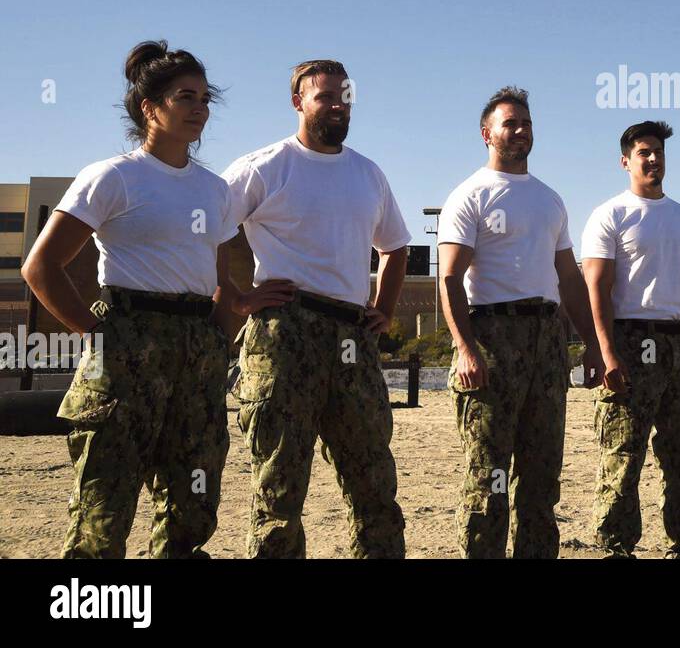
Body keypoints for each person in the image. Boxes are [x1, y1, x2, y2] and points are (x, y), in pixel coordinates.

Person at [21, 41, 283, 558]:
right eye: (186, 96)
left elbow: (217, 278)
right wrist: (96, 335)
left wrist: (236, 308)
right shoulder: (113, 177)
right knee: (104, 508)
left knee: (192, 504)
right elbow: (40, 267)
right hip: (125, 344)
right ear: (149, 107)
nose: (200, 108)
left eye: (206, 99)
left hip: (197, 353)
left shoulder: (213, 190)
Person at [220, 59, 410, 558]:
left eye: (345, 96)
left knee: (373, 478)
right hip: (285, 333)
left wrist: (384, 309)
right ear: (297, 102)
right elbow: (205, 230)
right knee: (280, 483)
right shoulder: (264, 166)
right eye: (325, 96)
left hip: (352, 334)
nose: (338, 106)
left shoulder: (367, 173)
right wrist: (237, 298)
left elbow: (395, 246)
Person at [438, 85, 600, 559]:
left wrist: (589, 343)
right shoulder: (470, 195)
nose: (521, 130)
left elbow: (569, 278)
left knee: (542, 473)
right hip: (492, 337)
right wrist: (466, 349)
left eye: (526, 122)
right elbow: (448, 279)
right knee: (489, 474)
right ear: (487, 133)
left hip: (547, 341)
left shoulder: (550, 200)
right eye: (511, 123)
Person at [581, 120, 680, 559]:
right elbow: (596, 290)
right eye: (643, 152)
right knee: (623, 460)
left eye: (658, 151)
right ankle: (616, 548)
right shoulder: (610, 215)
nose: (653, 158)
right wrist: (605, 351)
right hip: (629, 343)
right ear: (626, 161)